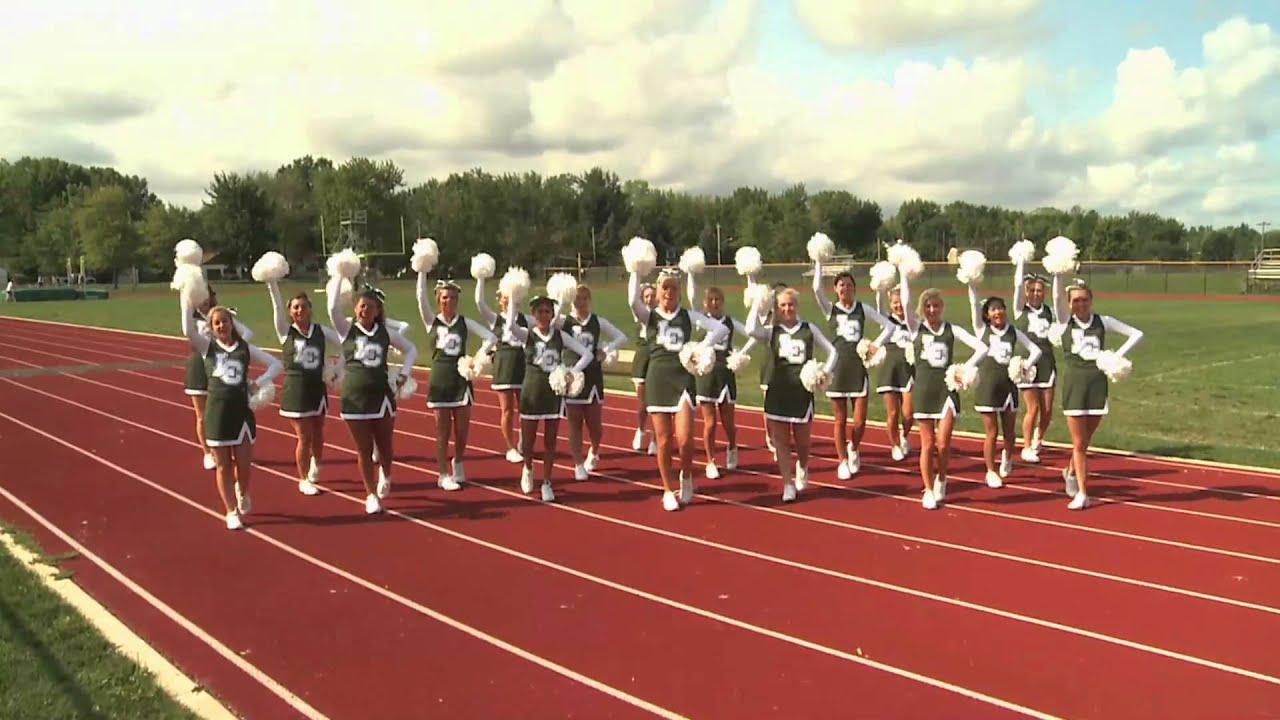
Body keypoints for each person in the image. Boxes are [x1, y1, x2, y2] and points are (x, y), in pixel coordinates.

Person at [628, 267, 729, 511]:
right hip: (658, 380)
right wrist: (636, 270)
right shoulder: (649, 316)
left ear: (679, 291)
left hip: (683, 379)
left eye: (673, 287)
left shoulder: (688, 315)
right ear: (659, 290)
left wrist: (700, 347)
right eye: (665, 287)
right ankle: (666, 488)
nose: (669, 292)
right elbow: (632, 300)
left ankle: (686, 475)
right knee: (663, 441)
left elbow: (721, 329)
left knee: (684, 440)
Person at [179, 297, 283, 530]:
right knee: (224, 465)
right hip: (217, 412)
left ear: (231, 323)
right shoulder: (208, 348)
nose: (221, 326)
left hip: (241, 413)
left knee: (244, 464)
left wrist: (259, 383)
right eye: (216, 323)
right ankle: (231, 510)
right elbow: (187, 328)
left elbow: (276, 364)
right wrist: (186, 294)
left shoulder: (245, 348)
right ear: (211, 328)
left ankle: (243, 490)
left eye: (224, 321)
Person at [899, 267, 989, 510]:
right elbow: (906, 303)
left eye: (936, 306)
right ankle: (928, 489)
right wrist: (902, 271)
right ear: (922, 308)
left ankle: (942, 477)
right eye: (928, 306)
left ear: (942, 307)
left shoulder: (952, 329)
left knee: (943, 443)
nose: (932, 310)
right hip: (924, 390)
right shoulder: (915, 327)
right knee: (927, 444)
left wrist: (963, 370)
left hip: (947, 389)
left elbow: (982, 348)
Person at [326, 281, 418, 514]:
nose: (365, 310)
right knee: (363, 449)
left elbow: (411, 349)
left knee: (385, 445)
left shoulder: (386, 332)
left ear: (377, 311)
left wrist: (404, 374)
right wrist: (339, 275)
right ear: (355, 308)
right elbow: (331, 309)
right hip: (354, 398)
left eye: (370, 307)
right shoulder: (346, 329)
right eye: (361, 306)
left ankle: (386, 474)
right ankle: (370, 494)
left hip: (381, 396)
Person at [1052, 277, 1143, 509]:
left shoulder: (1103, 321)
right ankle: (1083, 493)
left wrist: (1115, 356)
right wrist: (1058, 274)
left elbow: (1137, 334)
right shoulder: (1064, 322)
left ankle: (1071, 472)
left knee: (1086, 439)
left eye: (1084, 300)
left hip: (1097, 385)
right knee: (1079, 442)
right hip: (1074, 386)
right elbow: (1056, 297)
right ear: (1069, 303)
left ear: (1091, 300)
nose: (1080, 304)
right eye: (1075, 300)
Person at [745, 287, 839, 502]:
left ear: (797, 306)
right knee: (781, 441)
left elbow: (833, 351)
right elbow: (751, 329)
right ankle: (787, 483)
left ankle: (803, 465)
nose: (787, 308)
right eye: (782, 305)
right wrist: (757, 302)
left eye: (791, 304)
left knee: (803, 441)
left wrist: (824, 372)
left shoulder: (809, 329)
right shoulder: (771, 331)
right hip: (778, 390)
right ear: (777, 308)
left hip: (802, 391)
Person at [502, 295, 595, 502]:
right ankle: (527, 468)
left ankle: (547, 482)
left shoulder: (560, 336)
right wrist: (513, 297)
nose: (543, 315)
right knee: (528, 440)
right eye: (539, 312)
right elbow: (509, 327)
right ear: (533, 315)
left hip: (553, 392)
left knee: (550, 440)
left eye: (547, 311)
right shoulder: (527, 335)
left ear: (552, 314)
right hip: (531, 391)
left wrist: (571, 372)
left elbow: (586, 354)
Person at [416, 274, 497, 491]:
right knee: (442, 431)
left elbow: (491, 338)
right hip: (440, 380)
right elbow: (420, 298)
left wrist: (477, 357)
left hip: (461, 379)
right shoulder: (431, 320)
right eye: (444, 298)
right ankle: (443, 474)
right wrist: (422, 272)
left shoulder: (464, 322)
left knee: (462, 429)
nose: (448, 302)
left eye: (452, 298)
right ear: (438, 300)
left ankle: (458, 461)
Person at [812, 260, 893, 478]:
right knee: (839, 420)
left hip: (858, 369)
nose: (845, 288)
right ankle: (841, 461)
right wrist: (819, 261)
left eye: (849, 285)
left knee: (859, 421)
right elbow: (816, 289)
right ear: (836, 289)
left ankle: (854, 448)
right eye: (841, 285)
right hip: (837, 369)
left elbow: (889, 326)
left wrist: (875, 345)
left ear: (854, 288)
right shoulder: (830, 309)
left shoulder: (862, 308)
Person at [266, 280, 343, 495]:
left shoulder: (321, 330)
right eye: (295, 307)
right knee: (304, 436)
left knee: (318, 432)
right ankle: (302, 479)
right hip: (296, 390)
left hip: (317, 389)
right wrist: (272, 284)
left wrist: (338, 368)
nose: (300, 310)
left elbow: (346, 343)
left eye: (304, 306)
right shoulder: (285, 331)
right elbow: (276, 308)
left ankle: (316, 464)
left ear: (310, 309)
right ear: (290, 312)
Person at [964, 280, 1043, 488]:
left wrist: (1025, 365)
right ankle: (990, 471)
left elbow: (1036, 350)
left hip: (1009, 386)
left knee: (1009, 431)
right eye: (993, 309)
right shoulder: (981, 329)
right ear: (987, 314)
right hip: (988, 386)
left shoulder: (1013, 331)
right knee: (992, 431)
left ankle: (1007, 458)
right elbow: (973, 303)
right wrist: (971, 282)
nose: (997, 312)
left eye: (1000, 308)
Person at [183, 285, 254, 471]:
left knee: (222, 409)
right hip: (200, 366)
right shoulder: (193, 318)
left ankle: (228, 446)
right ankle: (208, 452)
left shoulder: (221, 315)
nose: (204, 301)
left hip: (223, 366)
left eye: (206, 297)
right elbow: (188, 333)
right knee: (202, 415)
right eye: (199, 297)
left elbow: (247, 333)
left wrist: (237, 349)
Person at [560, 285, 627, 480]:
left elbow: (622, 337)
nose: (579, 302)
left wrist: (606, 350)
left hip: (593, 377)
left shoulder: (598, 321)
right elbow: (550, 325)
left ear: (589, 300)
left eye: (583, 298)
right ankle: (578, 463)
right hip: (571, 377)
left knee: (594, 424)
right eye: (576, 298)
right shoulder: (564, 321)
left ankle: (594, 451)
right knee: (574, 424)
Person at [474, 267, 530, 462]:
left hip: (522, 364)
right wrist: (481, 278)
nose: (504, 299)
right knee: (507, 409)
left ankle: (524, 441)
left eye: (507, 296)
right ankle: (510, 447)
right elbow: (479, 303)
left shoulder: (525, 319)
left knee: (526, 407)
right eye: (502, 297)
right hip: (504, 365)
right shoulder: (495, 319)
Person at [1013, 262, 1058, 462]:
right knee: (1033, 408)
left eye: (1040, 290)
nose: (1036, 293)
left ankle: (1039, 438)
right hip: (1027, 364)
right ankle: (1026, 446)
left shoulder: (1050, 312)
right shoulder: (1019, 310)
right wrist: (1021, 261)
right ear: (1026, 292)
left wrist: (1057, 272)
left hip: (1047, 363)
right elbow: (1016, 286)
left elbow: (1058, 298)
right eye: (1032, 290)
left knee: (1047, 410)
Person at [874, 284, 915, 461]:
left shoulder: (914, 323)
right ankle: (895, 445)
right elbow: (879, 304)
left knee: (909, 413)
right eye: (895, 303)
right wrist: (880, 287)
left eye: (901, 303)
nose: (898, 306)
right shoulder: (886, 321)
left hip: (908, 371)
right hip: (889, 371)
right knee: (892, 413)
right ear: (890, 304)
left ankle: (904, 436)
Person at [629, 281, 658, 455]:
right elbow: (632, 302)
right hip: (641, 358)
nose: (649, 299)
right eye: (646, 296)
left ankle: (655, 439)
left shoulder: (662, 314)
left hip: (657, 358)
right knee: (642, 403)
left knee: (656, 402)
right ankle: (640, 430)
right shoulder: (641, 314)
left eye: (652, 295)